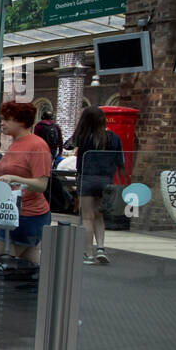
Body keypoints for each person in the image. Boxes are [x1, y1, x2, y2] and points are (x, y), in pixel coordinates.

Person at [0, 101, 52, 265]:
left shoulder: (37, 146)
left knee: (0, 265)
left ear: (20, 120)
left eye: (6, 119)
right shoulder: (15, 144)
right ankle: (44, 288)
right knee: (30, 264)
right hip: (14, 213)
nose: (2, 123)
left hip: (28, 215)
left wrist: (14, 178)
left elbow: (41, 184)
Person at [72, 105, 125, 265]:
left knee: (87, 218)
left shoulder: (83, 137)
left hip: (87, 179)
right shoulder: (114, 138)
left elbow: (68, 144)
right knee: (99, 216)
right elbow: (120, 161)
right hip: (105, 180)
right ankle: (101, 248)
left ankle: (88, 253)